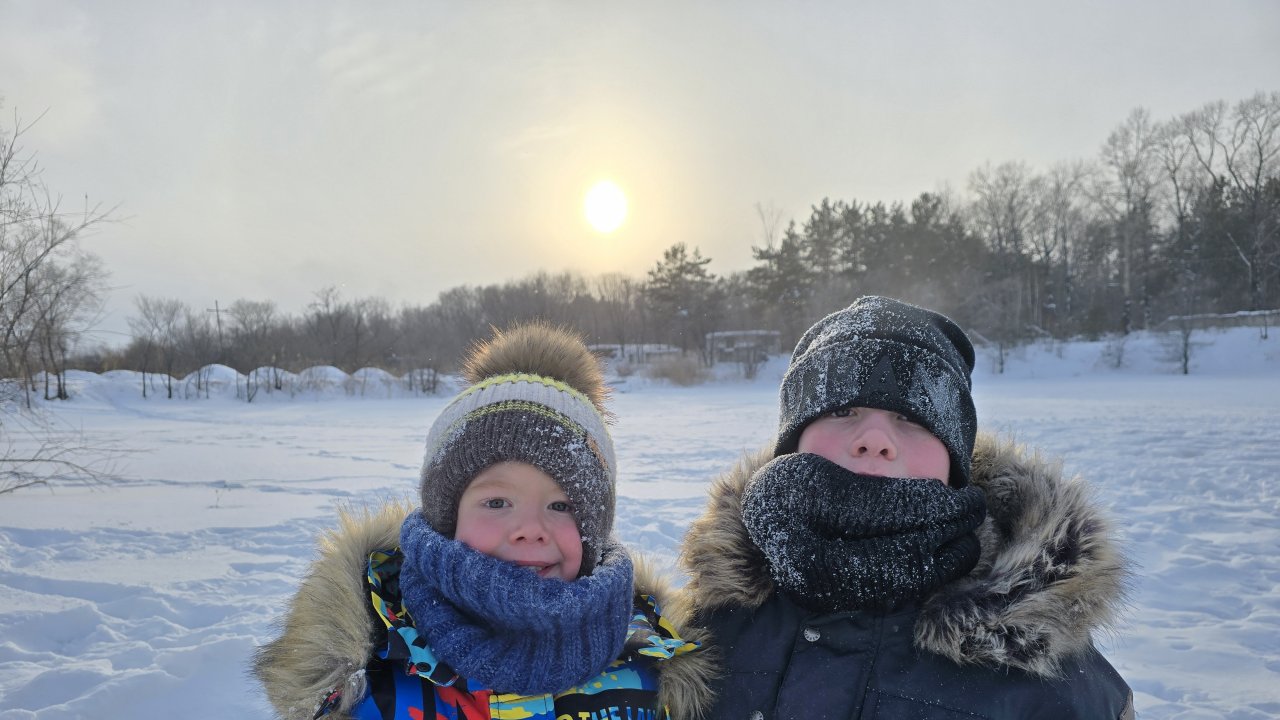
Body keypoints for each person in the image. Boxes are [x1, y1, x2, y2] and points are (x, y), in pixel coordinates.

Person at [678, 296, 1134, 720]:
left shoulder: (1052, 683)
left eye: (912, 418)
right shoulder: (693, 635)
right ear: (792, 441)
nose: (875, 441)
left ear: (954, 460)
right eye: (842, 411)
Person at [255, 323, 714, 720]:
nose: (530, 528)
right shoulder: (370, 669)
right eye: (497, 503)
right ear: (447, 517)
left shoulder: (655, 663)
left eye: (561, 506)